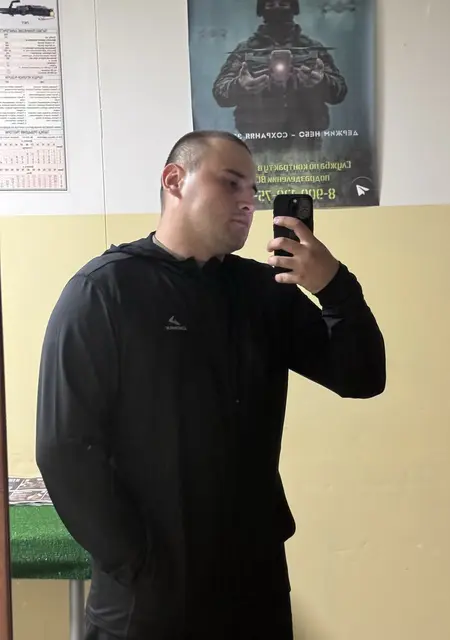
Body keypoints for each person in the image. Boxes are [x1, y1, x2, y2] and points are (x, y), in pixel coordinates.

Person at [35, 129, 386, 640]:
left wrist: (334, 286)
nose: (249, 202)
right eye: (231, 183)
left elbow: (362, 377)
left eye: (254, 190)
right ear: (174, 180)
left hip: (255, 585)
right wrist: (133, 560)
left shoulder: (265, 292)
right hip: (149, 596)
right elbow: (64, 445)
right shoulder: (105, 292)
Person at [212, 0, 348, 150]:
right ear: (262, 8)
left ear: (293, 7)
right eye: (270, 4)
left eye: (283, 3)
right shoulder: (245, 50)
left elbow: (339, 92)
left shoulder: (312, 49)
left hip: (305, 139)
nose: (277, 8)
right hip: (258, 140)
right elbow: (220, 92)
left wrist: (321, 81)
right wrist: (240, 86)